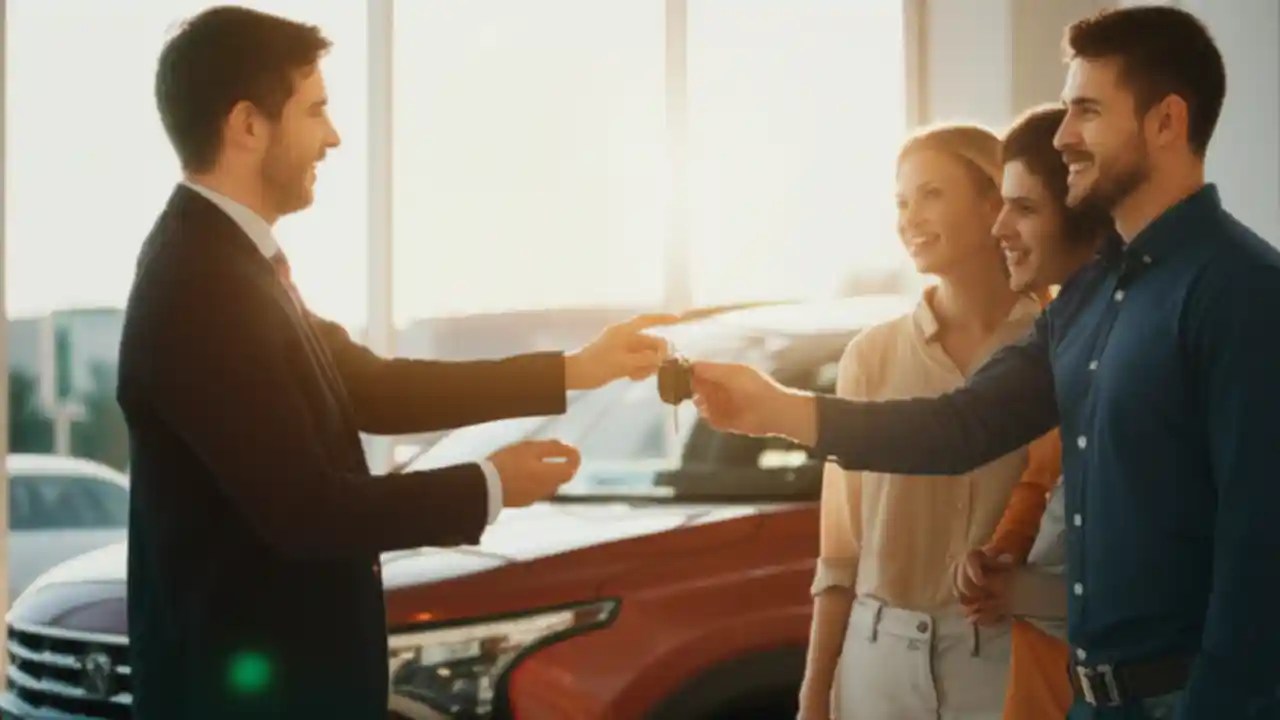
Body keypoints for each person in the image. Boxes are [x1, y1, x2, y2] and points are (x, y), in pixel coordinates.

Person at [691, 6, 1280, 718]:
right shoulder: (1091, 299)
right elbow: (963, 426)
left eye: (1087, 111)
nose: (1063, 136)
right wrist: (777, 410)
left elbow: (1261, 553)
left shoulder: (1242, 292)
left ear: (1166, 122)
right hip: (1090, 701)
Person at [117, 7, 673, 719]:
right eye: (315, 110)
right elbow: (306, 510)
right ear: (248, 125)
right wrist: (489, 484)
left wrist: (576, 369)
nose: (334, 137)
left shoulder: (230, 262)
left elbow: (372, 388)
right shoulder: (201, 285)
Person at [796, 124, 1060, 720]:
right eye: (901, 201)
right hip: (875, 657)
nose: (909, 217)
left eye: (930, 194)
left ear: (995, 202)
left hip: (1003, 653)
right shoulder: (871, 356)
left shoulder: (1057, 346)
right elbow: (840, 554)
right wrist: (815, 694)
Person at [955, 104, 1112, 720]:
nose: (998, 228)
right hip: (1042, 669)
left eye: (1022, 207)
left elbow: (1183, 585)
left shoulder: (1139, 344)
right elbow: (1041, 479)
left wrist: (1029, 590)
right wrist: (999, 556)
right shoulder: (1065, 329)